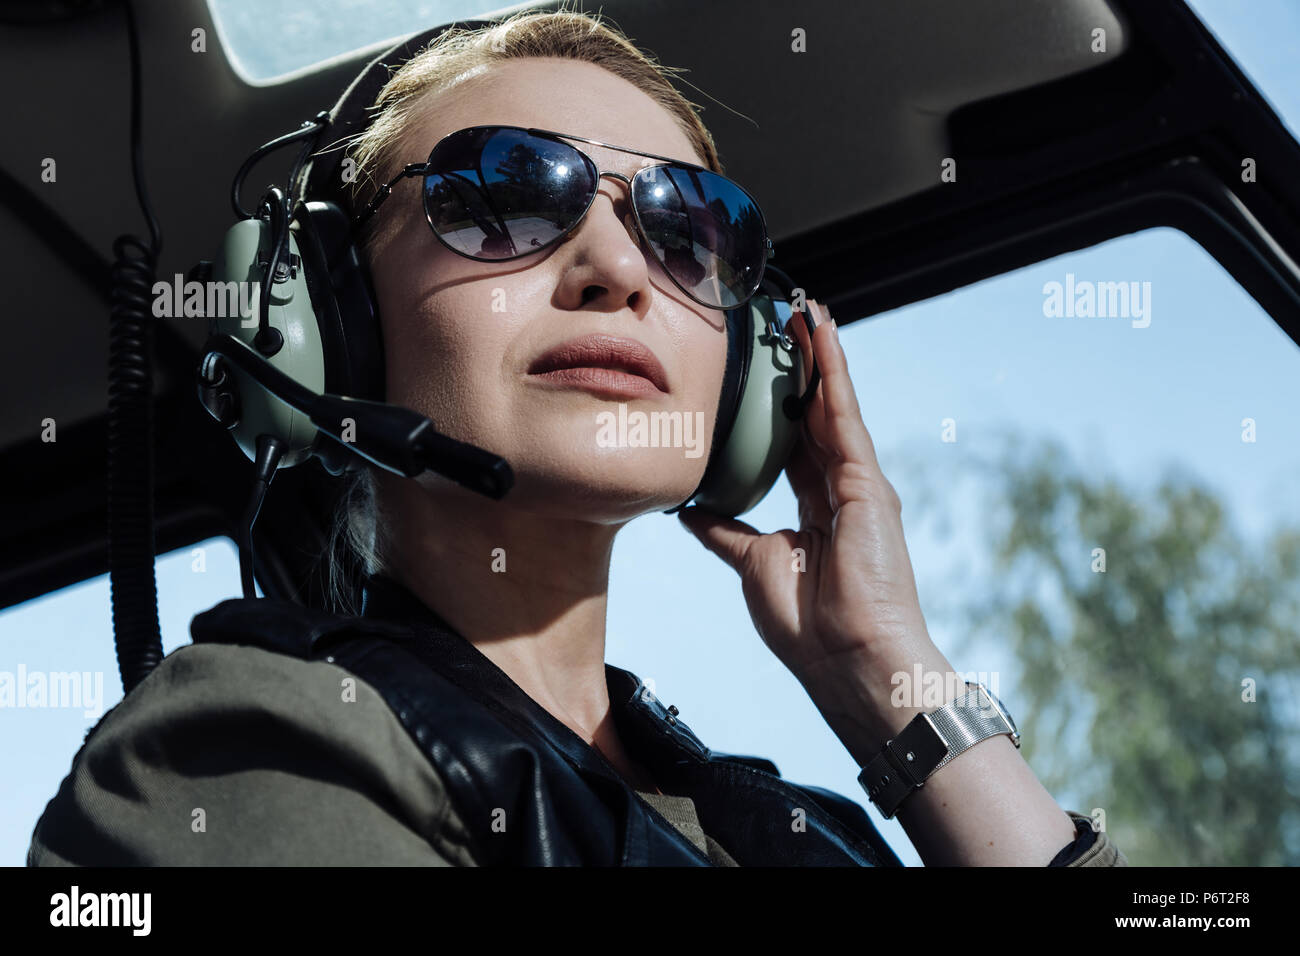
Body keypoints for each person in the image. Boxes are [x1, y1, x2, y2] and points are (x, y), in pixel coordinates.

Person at [29, 8, 1125, 867]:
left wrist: (885, 671)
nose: (618, 268)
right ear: (329, 316)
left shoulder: (801, 824)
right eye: (501, 194)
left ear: (752, 367)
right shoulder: (249, 739)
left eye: (689, 229)